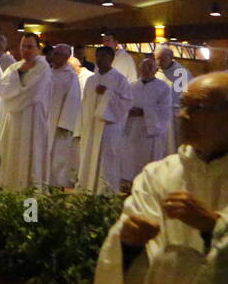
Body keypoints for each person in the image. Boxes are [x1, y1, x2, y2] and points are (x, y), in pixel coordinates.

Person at [94, 72, 228, 284]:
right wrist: (129, 243)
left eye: (198, 108)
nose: (182, 116)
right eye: (183, 105)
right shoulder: (158, 175)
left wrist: (213, 227)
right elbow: (125, 249)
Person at [0, 32, 51, 189]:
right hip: (13, 123)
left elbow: (31, 93)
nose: (26, 50)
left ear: (38, 49)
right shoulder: (14, 67)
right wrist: (18, 75)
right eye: (23, 46)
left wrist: (18, 80)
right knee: (11, 157)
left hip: (33, 121)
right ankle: (10, 201)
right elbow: (4, 91)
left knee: (30, 160)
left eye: (30, 46)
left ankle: (30, 211)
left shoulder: (43, 68)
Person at [76, 45, 133, 194]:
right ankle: (87, 188)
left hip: (108, 127)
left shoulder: (120, 79)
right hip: (91, 127)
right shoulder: (91, 80)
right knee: (88, 157)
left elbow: (126, 103)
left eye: (104, 57)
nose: (100, 60)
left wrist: (108, 93)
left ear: (111, 59)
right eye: (98, 56)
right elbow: (84, 105)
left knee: (106, 160)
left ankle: (105, 191)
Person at [122, 57, 175, 184]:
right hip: (132, 130)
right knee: (130, 159)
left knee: (149, 160)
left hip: (150, 131)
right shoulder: (131, 86)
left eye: (149, 67)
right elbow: (123, 104)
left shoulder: (163, 88)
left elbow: (164, 110)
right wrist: (127, 111)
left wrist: (145, 112)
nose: (146, 70)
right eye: (143, 67)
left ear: (156, 70)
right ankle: (129, 183)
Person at [45, 43, 82, 189]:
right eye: (53, 53)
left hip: (58, 124)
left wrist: (64, 124)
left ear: (66, 57)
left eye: (57, 54)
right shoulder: (48, 72)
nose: (53, 57)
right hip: (45, 119)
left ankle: (57, 185)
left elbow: (73, 101)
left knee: (57, 156)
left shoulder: (70, 76)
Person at [155, 45, 191, 147]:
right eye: (157, 59)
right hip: (160, 115)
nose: (159, 62)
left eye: (162, 58)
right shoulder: (156, 73)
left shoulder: (181, 73)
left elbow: (183, 95)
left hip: (175, 114)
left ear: (171, 57)